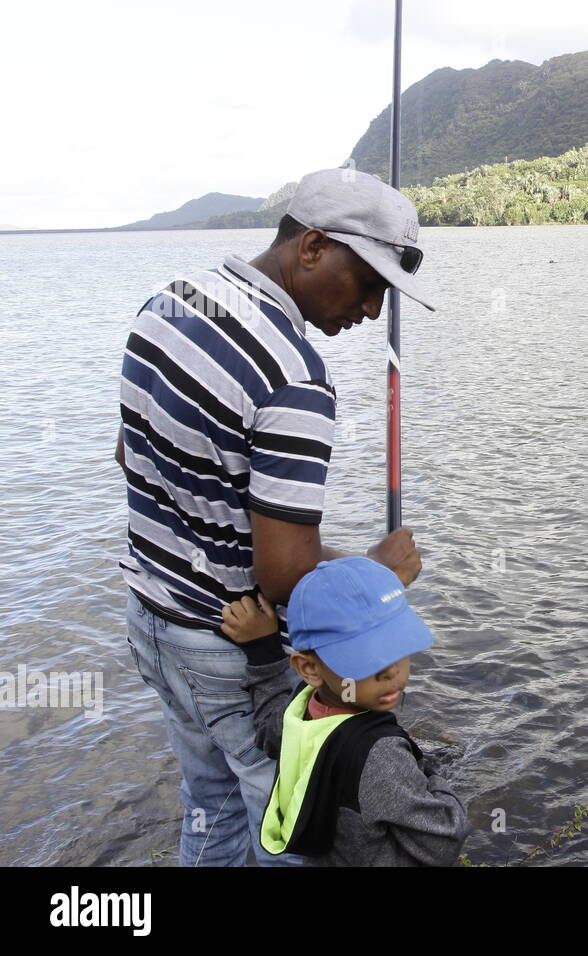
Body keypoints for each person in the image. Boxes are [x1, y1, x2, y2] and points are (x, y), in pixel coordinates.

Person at [117, 167, 435, 865]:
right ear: (314, 247)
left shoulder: (171, 302)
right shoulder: (294, 377)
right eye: (371, 282)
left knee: (211, 808)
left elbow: (127, 453)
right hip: (225, 643)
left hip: (150, 613)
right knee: (287, 825)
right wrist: (377, 571)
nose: (374, 310)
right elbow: (286, 574)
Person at [219, 557, 469, 866]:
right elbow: (443, 841)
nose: (391, 671)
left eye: (397, 646)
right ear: (309, 668)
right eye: (368, 657)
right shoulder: (383, 755)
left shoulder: (301, 709)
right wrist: (430, 777)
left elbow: (269, 732)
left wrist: (262, 652)